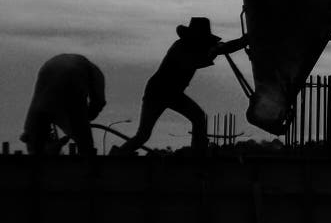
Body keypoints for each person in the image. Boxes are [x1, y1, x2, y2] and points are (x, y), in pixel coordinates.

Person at [112, 17, 223, 155]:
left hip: (172, 93)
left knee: (198, 117)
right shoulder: (180, 47)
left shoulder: (195, 48)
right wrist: (213, 53)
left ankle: (198, 153)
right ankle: (118, 155)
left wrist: (243, 42)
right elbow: (193, 62)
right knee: (143, 135)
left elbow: (222, 48)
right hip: (158, 92)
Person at [21, 54, 106, 156]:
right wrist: (87, 118)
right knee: (84, 140)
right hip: (72, 71)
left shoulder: (88, 69)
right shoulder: (97, 74)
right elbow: (99, 101)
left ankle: (34, 149)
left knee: (39, 110)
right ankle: (87, 164)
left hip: (49, 68)